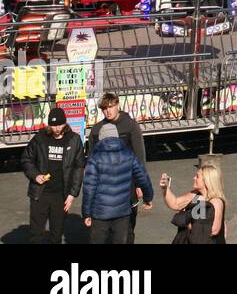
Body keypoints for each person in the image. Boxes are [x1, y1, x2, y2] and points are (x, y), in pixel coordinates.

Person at [86, 94, 147, 243]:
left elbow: (139, 156)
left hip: (129, 185)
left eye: (111, 107)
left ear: (118, 105)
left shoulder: (130, 126)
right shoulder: (97, 130)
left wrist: (140, 184)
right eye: (105, 108)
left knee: (128, 229)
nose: (108, 111)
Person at [81, 122, 153, 244]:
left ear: (101, 138)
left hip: (100, 213)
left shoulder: (94, 159)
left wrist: (86, 213)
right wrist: (148, 197)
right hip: (122, 212)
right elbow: (143, 177)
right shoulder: (129, 155)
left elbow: (89, 189)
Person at [22, 108, 84, 243]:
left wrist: (72, 194)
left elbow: (79, 167)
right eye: (53, 125)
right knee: (36, 233)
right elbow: (26, 159)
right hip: (40, 193)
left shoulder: (74, 140)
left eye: (59, 125)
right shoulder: (40, 138)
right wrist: (35, 175)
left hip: (61, 195)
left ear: (65, 124)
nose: (56, 128)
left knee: (56, 234)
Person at [160, 163, 227, 244]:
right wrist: (166, 188)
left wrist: (188, 222)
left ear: (206, 180)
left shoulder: (215, 201)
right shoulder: (196, 195)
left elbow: (214, 230)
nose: (194, 178)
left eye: (197, 176)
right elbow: (175, 204)